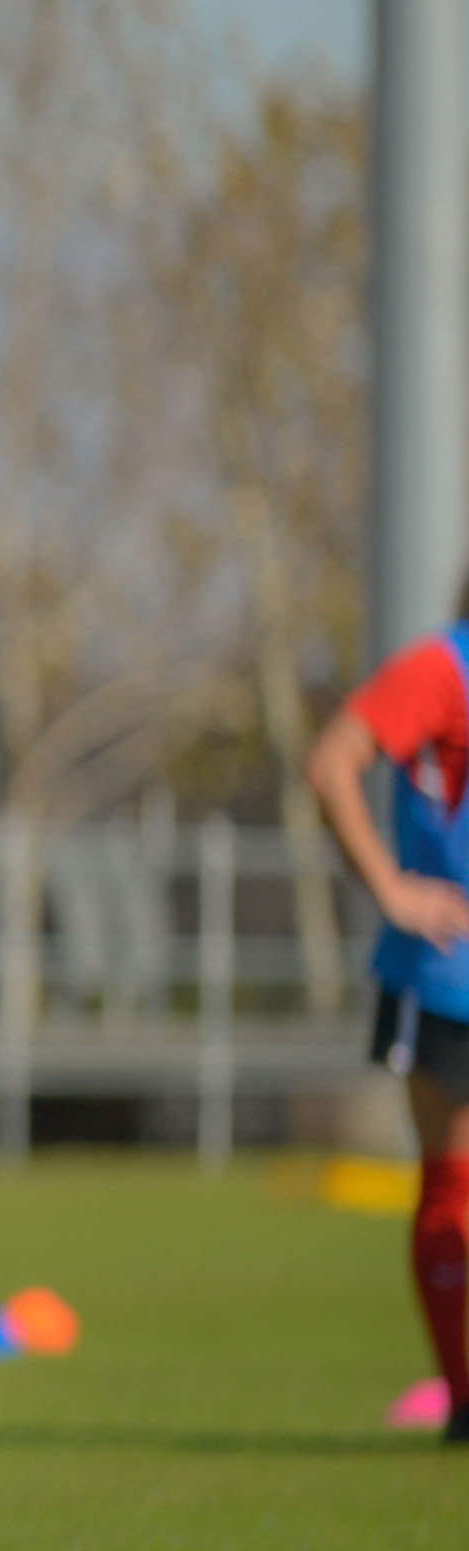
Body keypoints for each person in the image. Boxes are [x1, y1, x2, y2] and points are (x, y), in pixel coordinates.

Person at [306, 587, 469, 1445]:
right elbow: (332, 762)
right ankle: (463, 1397)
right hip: (447, 974)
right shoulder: (443, 669)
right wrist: (392, 888)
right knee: (453, 1187)